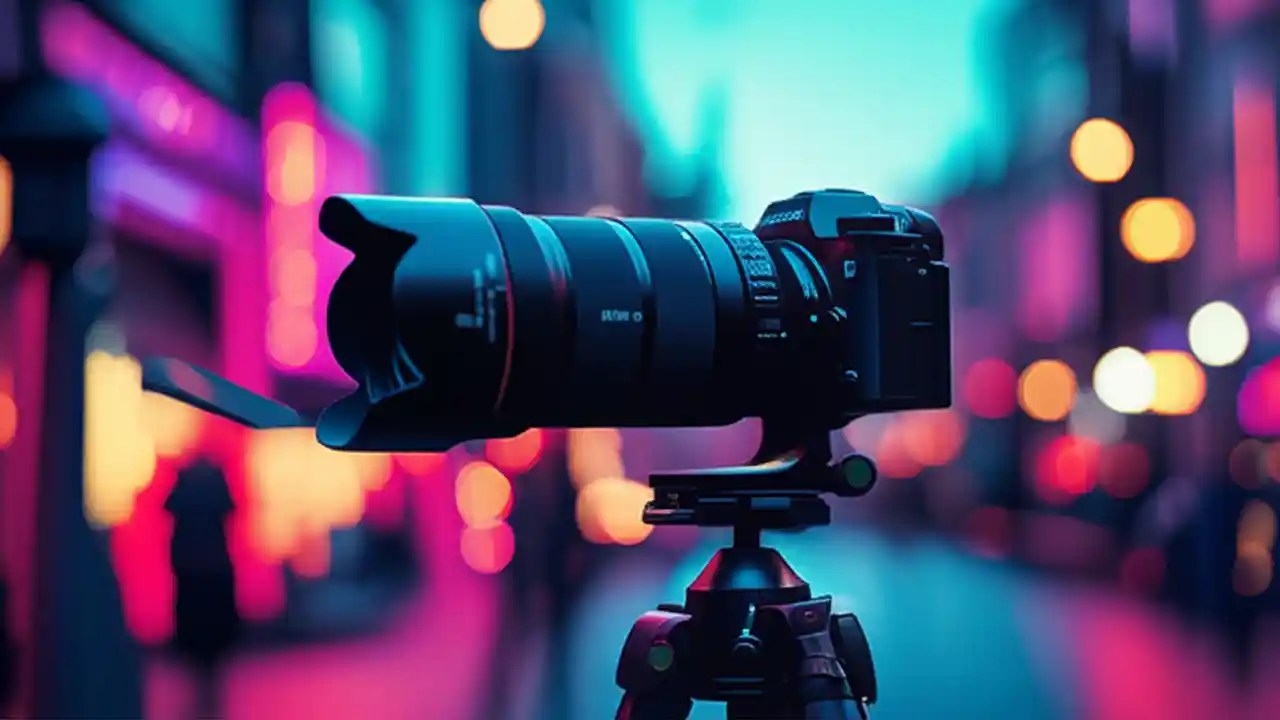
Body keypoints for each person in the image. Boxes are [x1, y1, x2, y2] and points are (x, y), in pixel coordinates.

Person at [164, 459, 239, 717]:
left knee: (201, 645)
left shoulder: (184, 482)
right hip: (209, 575)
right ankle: (208, 697)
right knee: (210, 647)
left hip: (194, 576)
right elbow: (231, 509)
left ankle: (204, 697)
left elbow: (168, 509)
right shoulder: (215, 481)